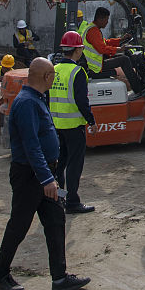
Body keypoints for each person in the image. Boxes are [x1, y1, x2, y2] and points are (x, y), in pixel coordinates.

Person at [0, 57, 90, 290]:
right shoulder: (27, 103)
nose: (55, 78)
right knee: (19, 225)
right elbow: (31, 145)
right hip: (31, 175)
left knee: (56, 222)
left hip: (44, 172)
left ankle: (59, 278)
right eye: (53, 75)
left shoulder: (36, 99)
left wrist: (50, 175)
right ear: (46, 77)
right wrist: (47, 179)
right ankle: (0, 275)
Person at [49, 31, 96, 214]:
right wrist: (91, 120)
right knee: (74, 166)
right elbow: (82, 101)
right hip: (74, 127)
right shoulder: (77, 72)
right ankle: (73, 202)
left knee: (60, 164)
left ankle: (59, 197)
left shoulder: (53, 69)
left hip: (57, 125)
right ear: (77, 50)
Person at [76, 6, 142, 90]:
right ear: (100, 19)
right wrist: (119, 49)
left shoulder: (92, 28)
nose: (107, 22)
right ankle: (138, 88)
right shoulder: (93, 31)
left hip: (97, 62)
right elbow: (102, 49)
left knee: (124, 56)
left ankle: (136, 84)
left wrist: (121, 39)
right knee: (124, 60)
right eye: (106, 20)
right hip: (96, 66)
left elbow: (105, 42)